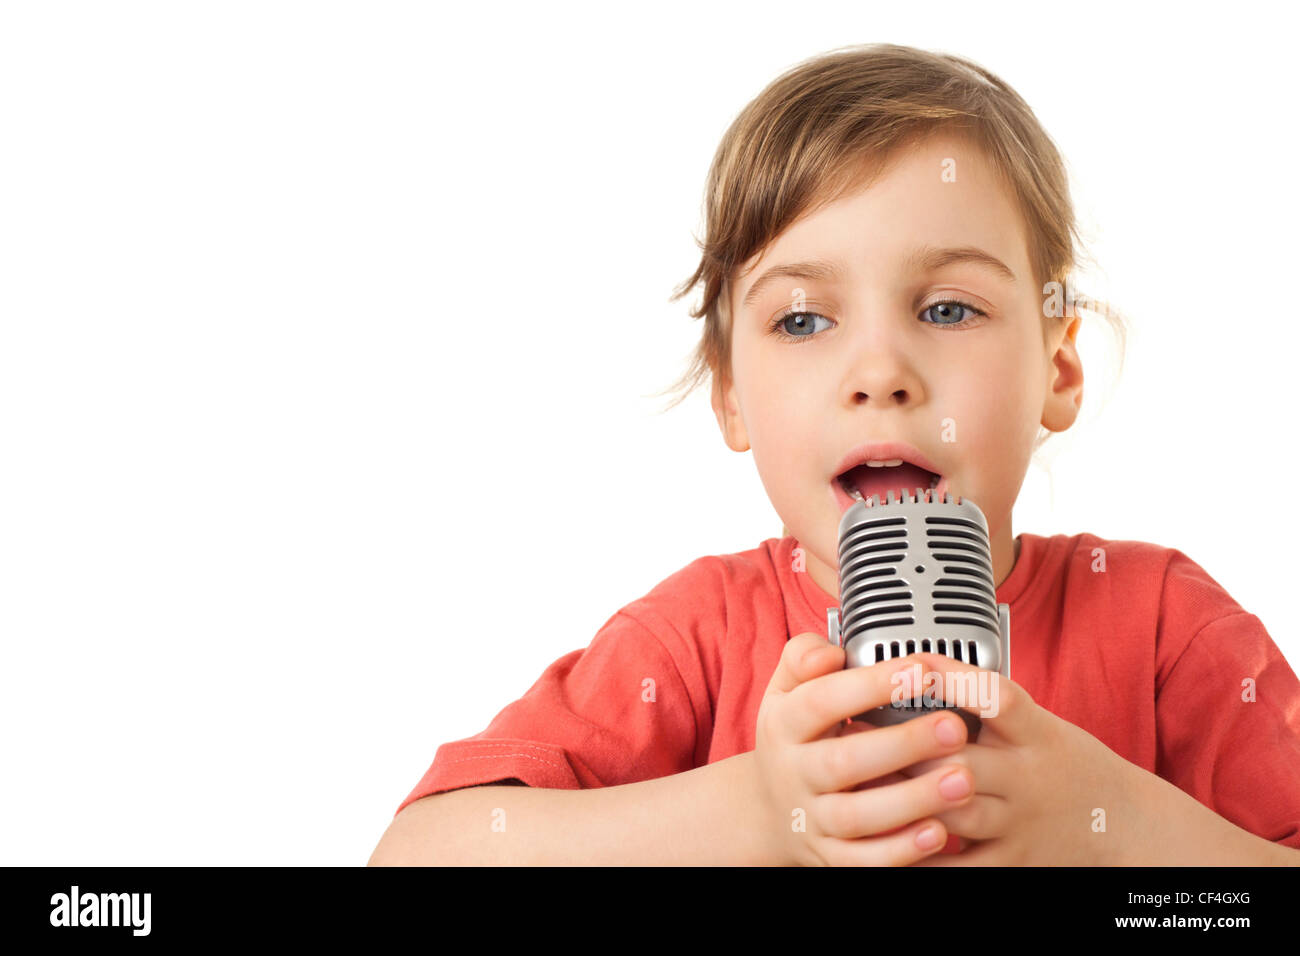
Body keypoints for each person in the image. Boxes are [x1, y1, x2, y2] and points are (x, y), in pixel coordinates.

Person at [368, 42, 1300, 866]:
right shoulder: (690, 645)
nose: (880, 373)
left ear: (1058, 368)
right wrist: (756, 813)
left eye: (946, 309)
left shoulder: (1165, 633)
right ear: (732, 395)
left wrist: (1111, 830)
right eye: (804, 319)